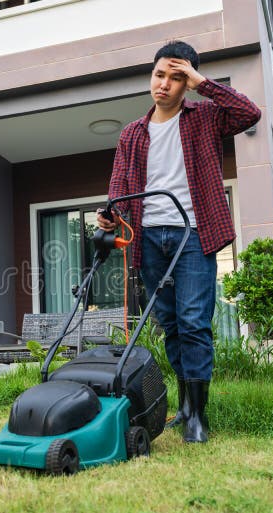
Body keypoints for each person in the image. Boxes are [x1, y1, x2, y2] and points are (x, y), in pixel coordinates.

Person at [97, 41, 261, 443]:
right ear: (150, 76)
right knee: (170, 324)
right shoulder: (133, 133)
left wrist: (203, 82)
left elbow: (248, 112)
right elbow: (119, 185)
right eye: (159, 75)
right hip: (149, 238)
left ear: (187, 82)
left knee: (193, 322)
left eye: (176, 77)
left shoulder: (205, 116)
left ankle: (199, 417)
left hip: (193, 234)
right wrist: (110, 213)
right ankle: (186, 405)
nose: (165, 85)